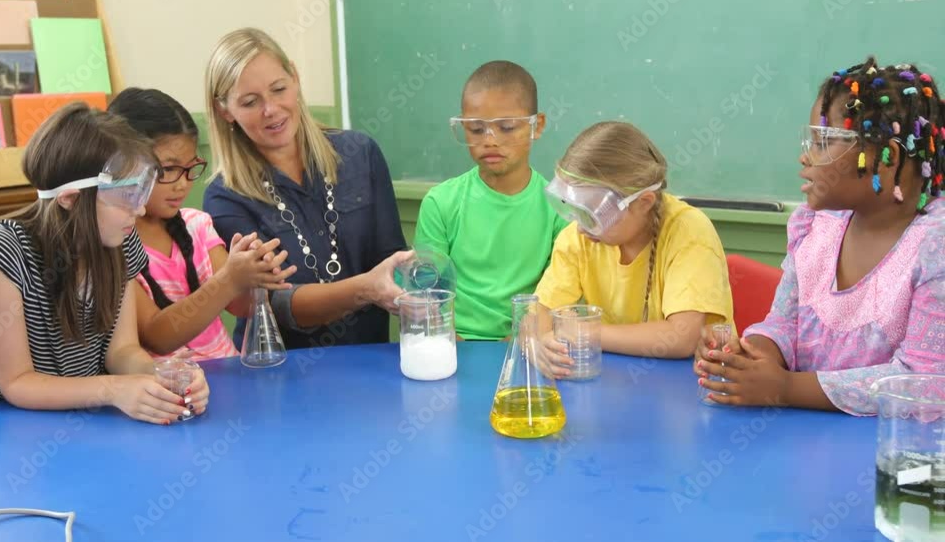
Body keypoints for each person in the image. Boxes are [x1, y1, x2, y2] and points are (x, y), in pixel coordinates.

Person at [695, 57, 945, 415]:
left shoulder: (934, 246)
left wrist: (784, 388)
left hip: (890, 456)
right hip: (803, 445)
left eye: (823, 142)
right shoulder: (814, 226)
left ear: (887, 158)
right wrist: (752, 356)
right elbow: (785, 323)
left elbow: (926, 384)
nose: (805, 157)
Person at [0, 103, 208, 424]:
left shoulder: (118, 240)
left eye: (140, 193)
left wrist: (160, 374)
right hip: (4, 428)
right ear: (70, 199)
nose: (141, 211)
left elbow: (121, 351)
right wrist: (115, 390)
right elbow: (17, 383)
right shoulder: (2, 253)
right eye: (126, 197)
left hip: (87, 422)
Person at [202, 28, 411, 350]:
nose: (270, 109)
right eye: (250, 102)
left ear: (295, 78)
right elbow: (270, 301)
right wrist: (366, 288)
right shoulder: (225, 196)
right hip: (281, 373)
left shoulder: (360, 153)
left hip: (368, 362)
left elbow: (391, 261)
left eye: (279, 89)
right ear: (224, 110)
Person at [108, 87, 295, 362]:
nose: (183, 184)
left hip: (229, 376)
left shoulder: (196, 225)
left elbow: (239, 305)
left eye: (190, 168)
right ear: (123, 164)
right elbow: (157, 336)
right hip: (170, 391)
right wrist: (230, 278)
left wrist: (256, 277)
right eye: (168, 169)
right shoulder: (113, 244)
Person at [537, 121, 734, 376]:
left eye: (593, 215)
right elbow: (537, 314)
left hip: (691, 385)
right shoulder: (577, 238)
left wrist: (585, 331)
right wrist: (537, 344)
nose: (582, 227)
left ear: (643, 202)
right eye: (575, 209)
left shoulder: (688, 232)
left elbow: (681, 336)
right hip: (617, 382)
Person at [414, 60, 566, 341]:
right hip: (451, 346)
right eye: (475, 129)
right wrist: (453, 345)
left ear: (537, 125)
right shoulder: (441, 202)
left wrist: (514, 349)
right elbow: (428, 296)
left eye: (507, 127)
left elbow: (556, 299)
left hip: (527, 346)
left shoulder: (558, 210)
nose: (491, 140)